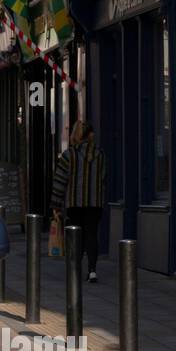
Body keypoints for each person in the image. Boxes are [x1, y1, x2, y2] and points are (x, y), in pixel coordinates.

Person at [51, 119, 107, 283]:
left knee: (76, 237)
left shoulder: (69, 155)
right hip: (94, 203)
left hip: (75, 203)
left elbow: (60, 181)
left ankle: (75, 270)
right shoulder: (101, 155)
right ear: (90, 135)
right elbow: (104, 179)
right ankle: (92, 271)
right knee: (91, 235)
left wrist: (56, 205)